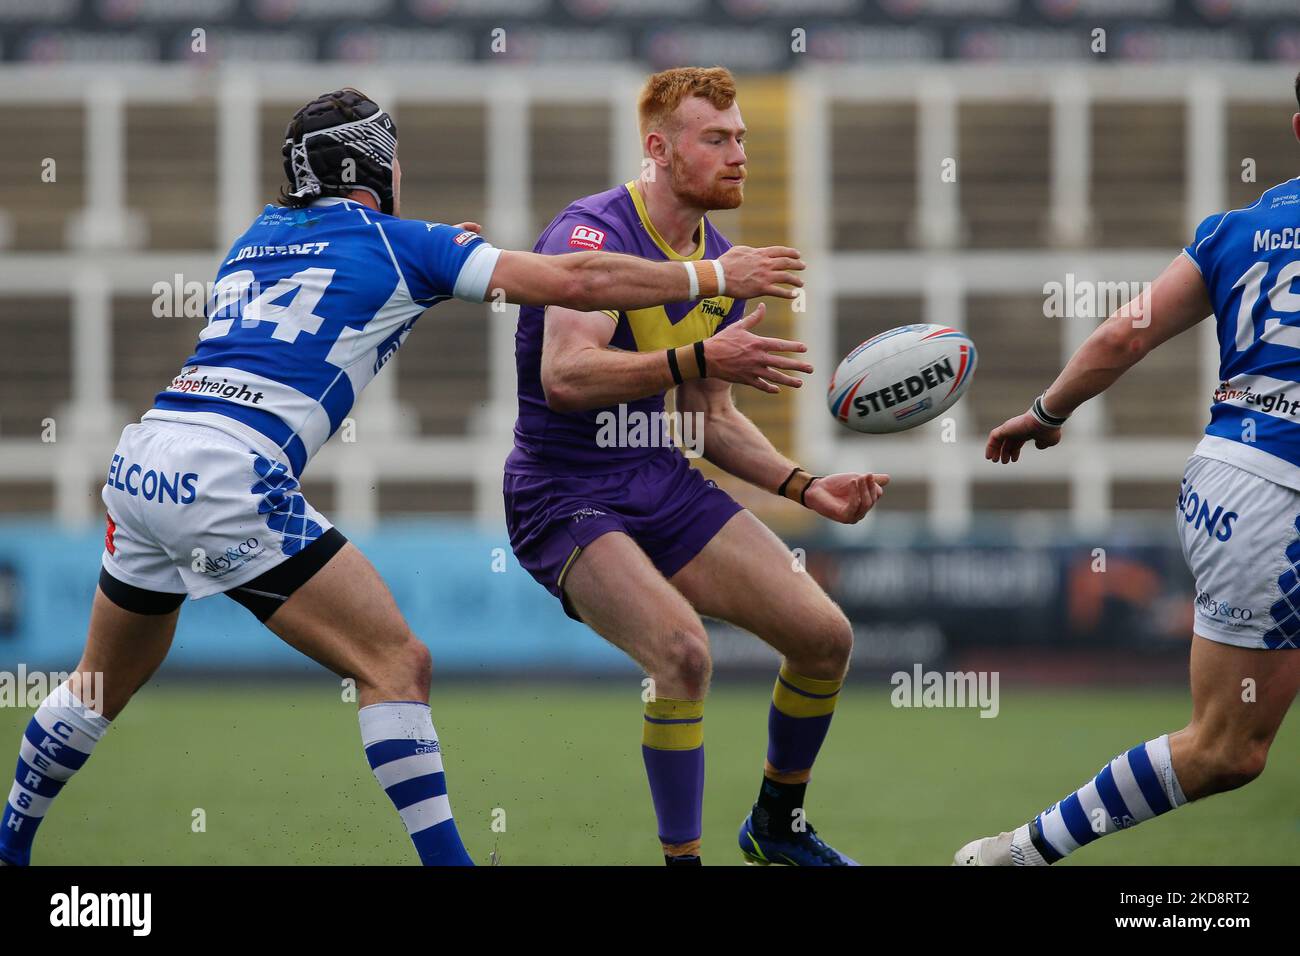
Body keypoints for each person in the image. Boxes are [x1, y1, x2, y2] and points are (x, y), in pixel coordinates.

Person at [0, 87, 802, 867]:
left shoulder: (258, 235)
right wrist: (714, 278)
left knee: (98, 683)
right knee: (397, 667)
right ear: (373, 165)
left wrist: (429, 260)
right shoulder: (405, 243)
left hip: (145, 459)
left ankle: (11, 844)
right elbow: (577, 283)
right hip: (229, 475)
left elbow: (342, 290)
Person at [505, 67, 889, 866]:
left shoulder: (720, 259)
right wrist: (703, 352)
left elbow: (707, 417)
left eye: (741, 137)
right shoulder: (591, 233)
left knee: (824, 637)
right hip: (563, 492)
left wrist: (806, 486)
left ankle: (777, 826)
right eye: (716, 138)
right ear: (659, 149)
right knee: (683, 655)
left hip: (659, 479)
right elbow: (566, 378)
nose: (739, 154)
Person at [954, 73, 1300, 866]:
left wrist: (1046, 413)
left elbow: (1124, 335)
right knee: (1225, 749)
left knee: (1229, 746)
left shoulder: (1239, 227)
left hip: (1232, 476)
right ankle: (1020, 853)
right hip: (1280, 495)